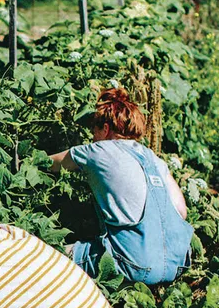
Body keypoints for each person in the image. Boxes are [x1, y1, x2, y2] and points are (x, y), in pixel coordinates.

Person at [49, 87, 193, 285]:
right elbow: (181, 211)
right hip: (177, 264)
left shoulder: (98, 150)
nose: (93, 137)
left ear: (106, 129)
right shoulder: (154, 159)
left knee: (48, 257)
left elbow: (50, 163)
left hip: (135, 264)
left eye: (95, 131)